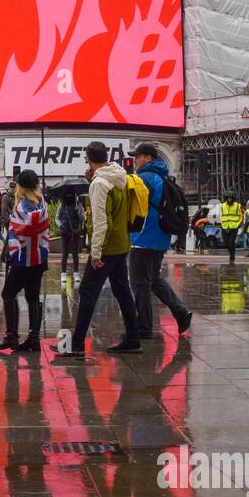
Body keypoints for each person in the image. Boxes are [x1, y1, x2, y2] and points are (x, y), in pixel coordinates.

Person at [51, 141, 140, 358]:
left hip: (107, 247)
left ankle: (78, 343)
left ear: (88, 159)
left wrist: (96, 252)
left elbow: (101, 221)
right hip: (121, 243)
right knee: (122, 290)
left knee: (87, 291)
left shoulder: (99, 183)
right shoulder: (120, 175)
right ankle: (133, 337)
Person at [129, 143, 193, 340]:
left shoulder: (144, 178)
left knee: (139, 283)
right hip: (159, 238)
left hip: (143, 238)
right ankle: (180, 312)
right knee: (154, 279)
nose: (134, 160)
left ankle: (144, 328)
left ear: (148, 158)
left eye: (137, 157)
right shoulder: (162, 177)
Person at [0, 170, 49, 352]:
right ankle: (33, 338)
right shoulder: (42, 203)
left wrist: (12, 254)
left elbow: (17, 232)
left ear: (20, 187)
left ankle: (11, 336)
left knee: (8, 294)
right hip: (39, 257)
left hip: (23, 259)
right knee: (33, 297)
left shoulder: (23, 206)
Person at [56, 190, 85, 284]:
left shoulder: (78, 204)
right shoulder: (62, 205)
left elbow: (82, 217)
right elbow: (57, 217)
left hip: (75, 232)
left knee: (75, 253)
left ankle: (76, 273)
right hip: (65, 232)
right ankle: (63, 273)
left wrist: (78, 212)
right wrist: (61, 226)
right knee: (65, 253)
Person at [219, 191, 242, 262]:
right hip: (224, 226)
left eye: (231, 198)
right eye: (228, 198)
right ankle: (232, 253)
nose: (230, 199)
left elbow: (241, 216)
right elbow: (221, 215)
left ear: (233, 198)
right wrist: (221, 223)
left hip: (234, 227)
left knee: (231, 242)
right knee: (226, 243)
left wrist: (238, 224)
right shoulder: (222, 205)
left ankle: (232, 256)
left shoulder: (238, 205)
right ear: (226, 198)